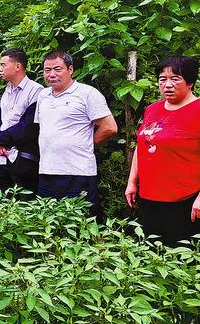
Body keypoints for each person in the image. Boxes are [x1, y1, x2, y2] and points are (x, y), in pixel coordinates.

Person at [125, 56, 200, 246]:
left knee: (182, 262)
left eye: (175, 79)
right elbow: (142, 146)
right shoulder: (152, 109)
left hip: (185, 202)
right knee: (150, 258)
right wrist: (132, 182)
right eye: (162, 79)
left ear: (190, 82)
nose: (167, 84)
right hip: (149, 199)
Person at [34, 51, 117, 217]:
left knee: (80, 223)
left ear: (70, 69)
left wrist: (85, 142)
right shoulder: (43, 95)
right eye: (47, 70)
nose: (51, 74)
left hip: (77, 172)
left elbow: (110, 127)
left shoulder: (87, 93)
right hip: (47, 170)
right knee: (48, 223)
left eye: (57, 69)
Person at [0, 49, 43, 195]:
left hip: (23, 159)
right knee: (2, 206)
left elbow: (29, 127)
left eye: (3, 65)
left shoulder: (36, 91)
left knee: (25, 206)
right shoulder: (5, 90)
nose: (0, 69)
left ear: (18, 66)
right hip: (0, 158)